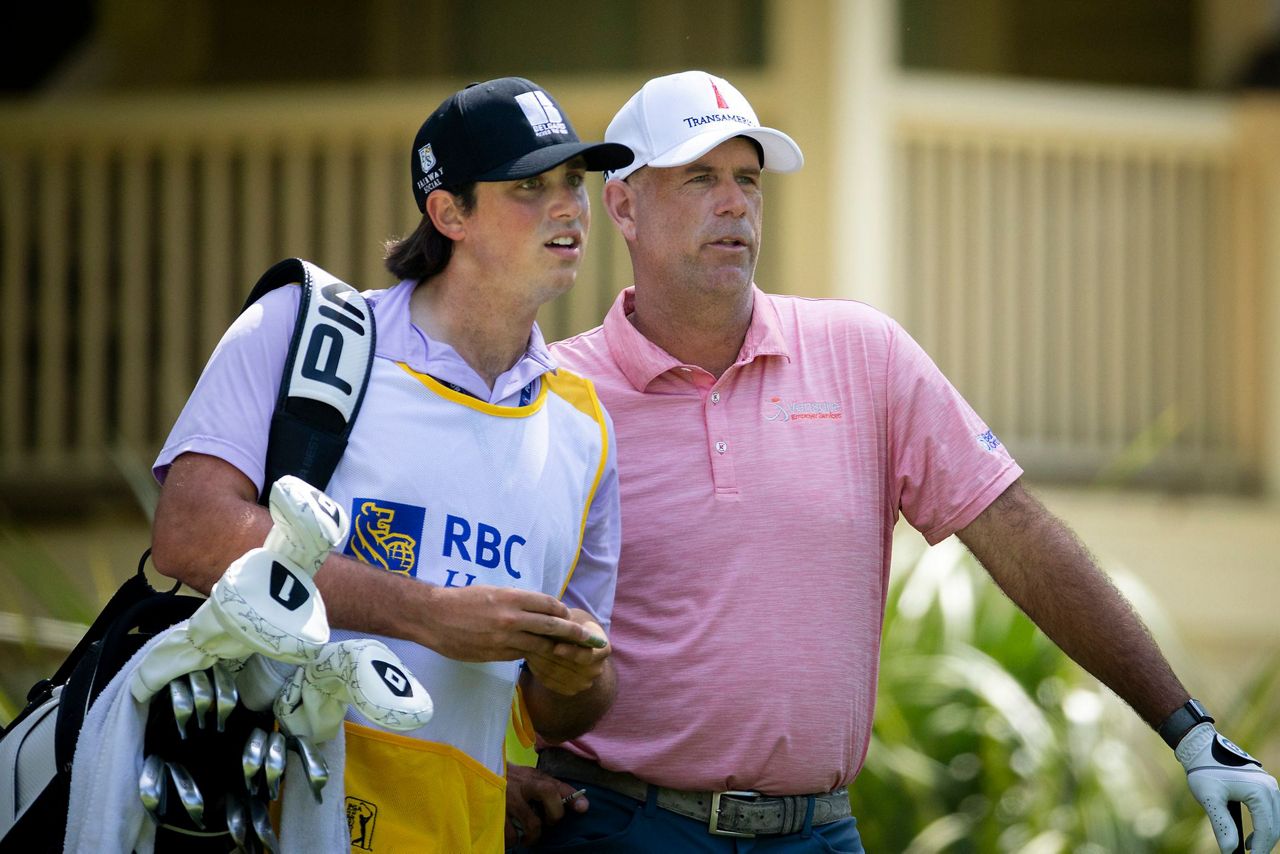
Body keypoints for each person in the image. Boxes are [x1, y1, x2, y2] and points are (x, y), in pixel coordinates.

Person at [506, 70, 1280, 853]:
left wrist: (1187, 729)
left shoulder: (862, 355)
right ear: (624, 204)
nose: (734, 202)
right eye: (700, 177)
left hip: (821, 832)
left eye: (747, 178)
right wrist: (484, 766)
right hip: (622, 827)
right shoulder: (559, 393)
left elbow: (1018, 535)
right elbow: (468, 584)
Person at [149, 76, 633, 851]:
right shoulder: (301, 329)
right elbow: (190, 531)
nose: (570, 205)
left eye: (574, 181)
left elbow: (554, 711)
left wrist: (582, 675)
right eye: (529, 186)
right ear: (449, 213)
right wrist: (430, 614)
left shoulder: (585, 428)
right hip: (259, 819)